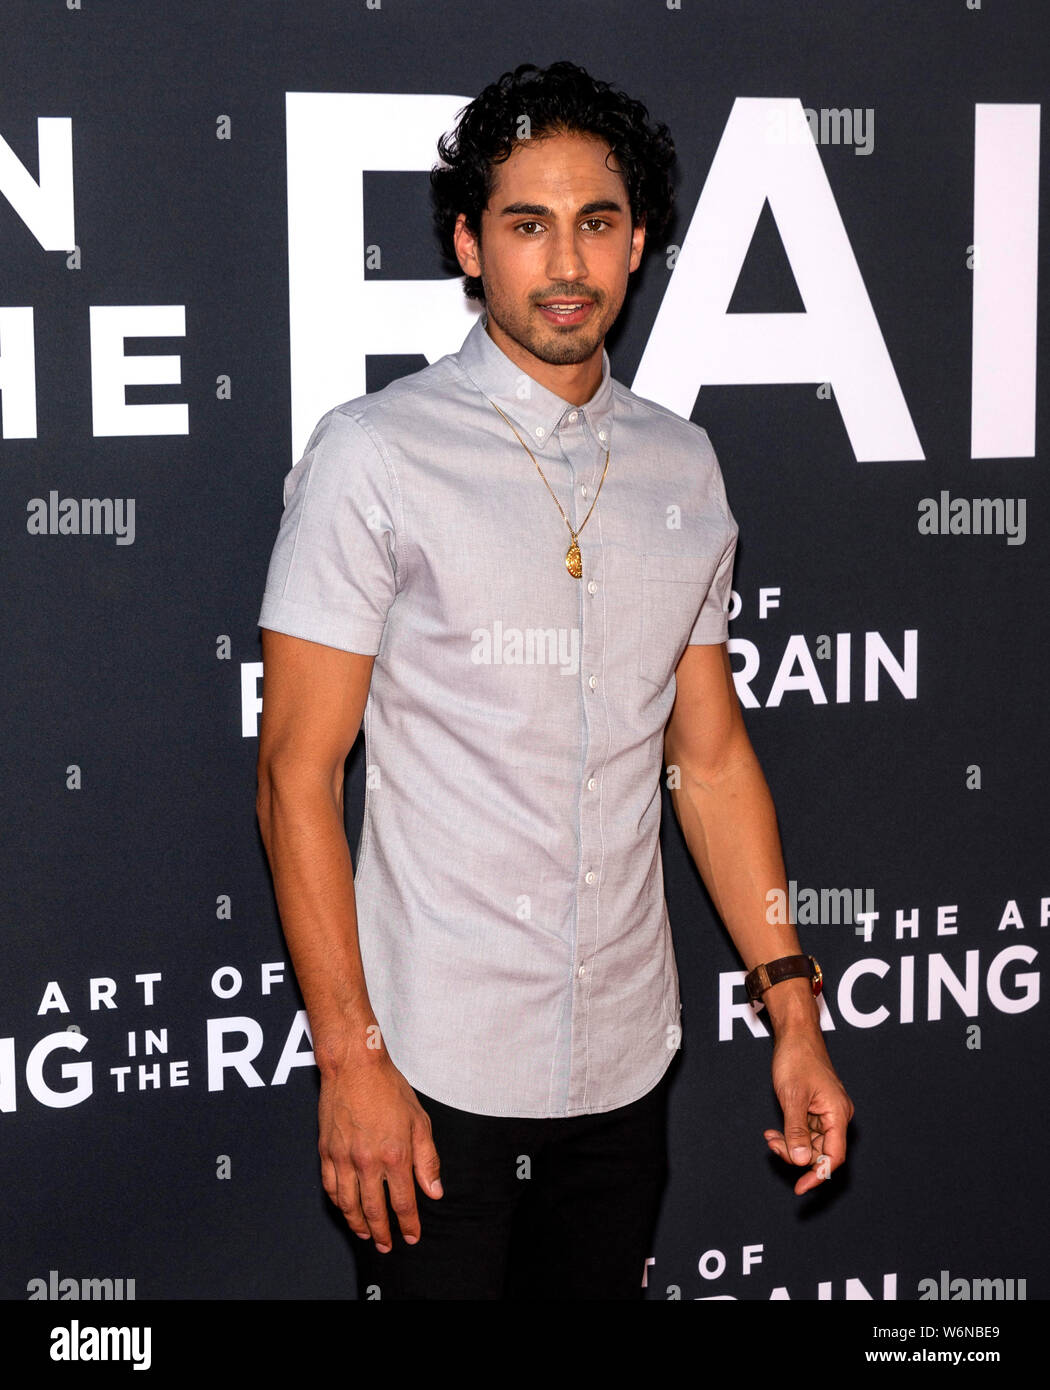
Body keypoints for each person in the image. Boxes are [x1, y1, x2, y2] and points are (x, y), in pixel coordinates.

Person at [255, 60, 853, 1301]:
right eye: (528, 225)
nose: (566, 263)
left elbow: (711, 758)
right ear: (471, 245)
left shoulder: (682, 465)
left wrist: (793, 1007)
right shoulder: (376, 454)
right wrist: (353, 1061)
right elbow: (294, 777)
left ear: (639, 245)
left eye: (598, 223)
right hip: (433, 1072)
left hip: (629, 1067)